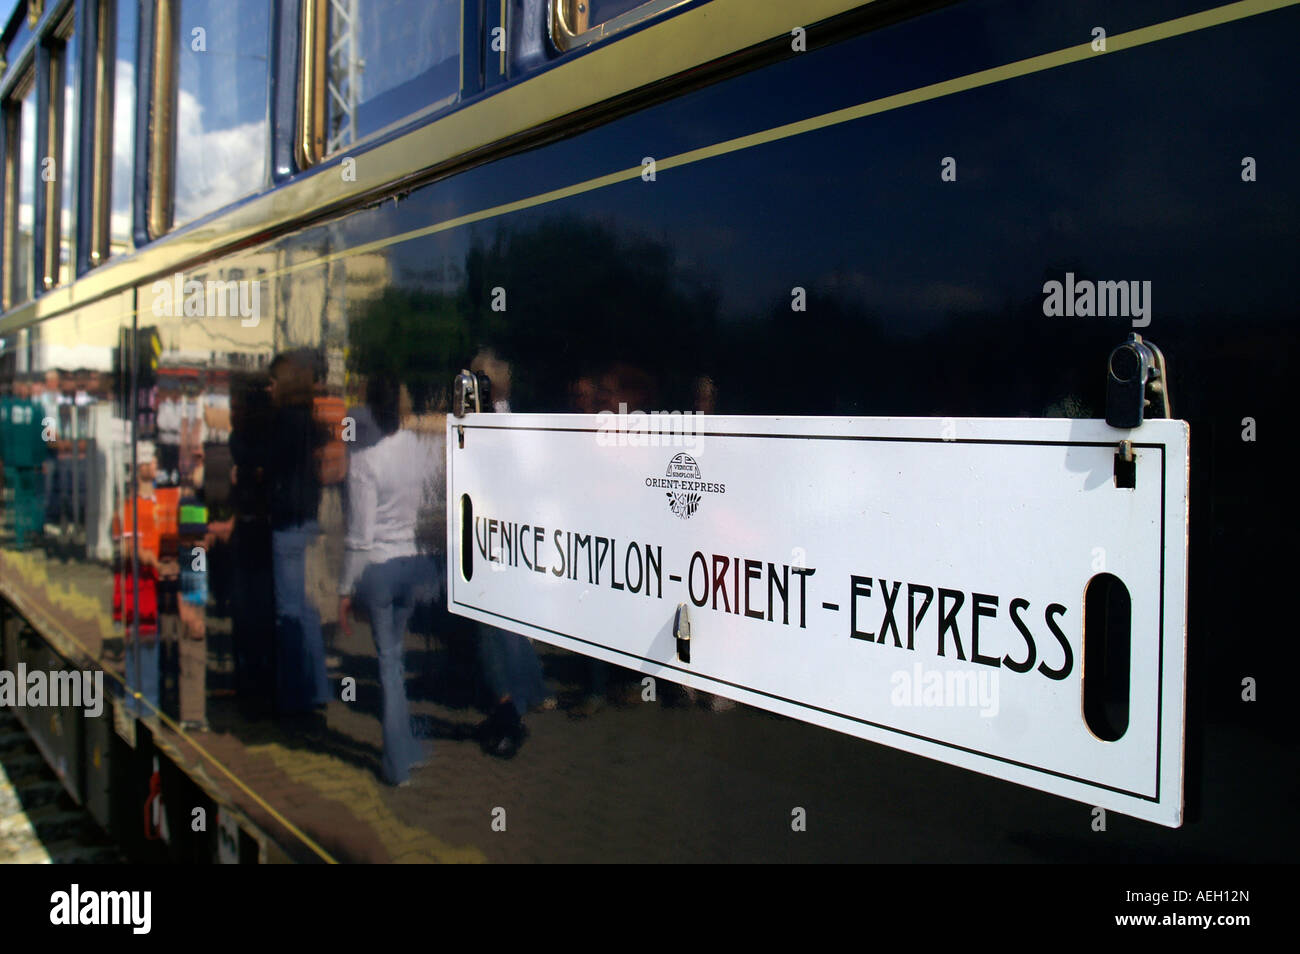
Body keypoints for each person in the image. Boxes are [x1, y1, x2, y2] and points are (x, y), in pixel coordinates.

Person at [338, 377, 442, 786]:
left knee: (390, 665)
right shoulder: (420, 451)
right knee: (396, 661)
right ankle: (408, 749)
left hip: (379, 569)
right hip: (414, 566)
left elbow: (360, 538)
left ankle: (398, 761)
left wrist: (345, 591)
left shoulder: (365, 461)